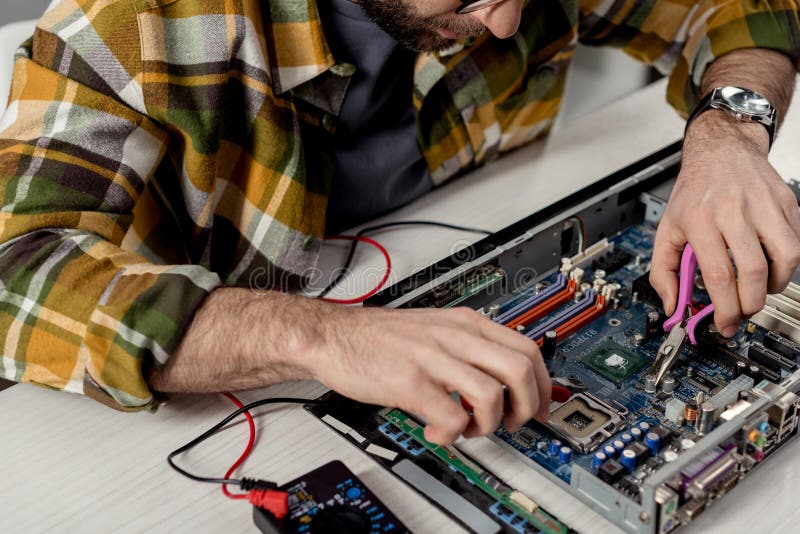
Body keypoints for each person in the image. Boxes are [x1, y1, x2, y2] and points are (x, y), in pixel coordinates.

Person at [0, 0, 798, 445]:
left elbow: (739, 6)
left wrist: (727, 133)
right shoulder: (134, 26)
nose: (510, 20)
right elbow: (15, 268)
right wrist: (321, 335)